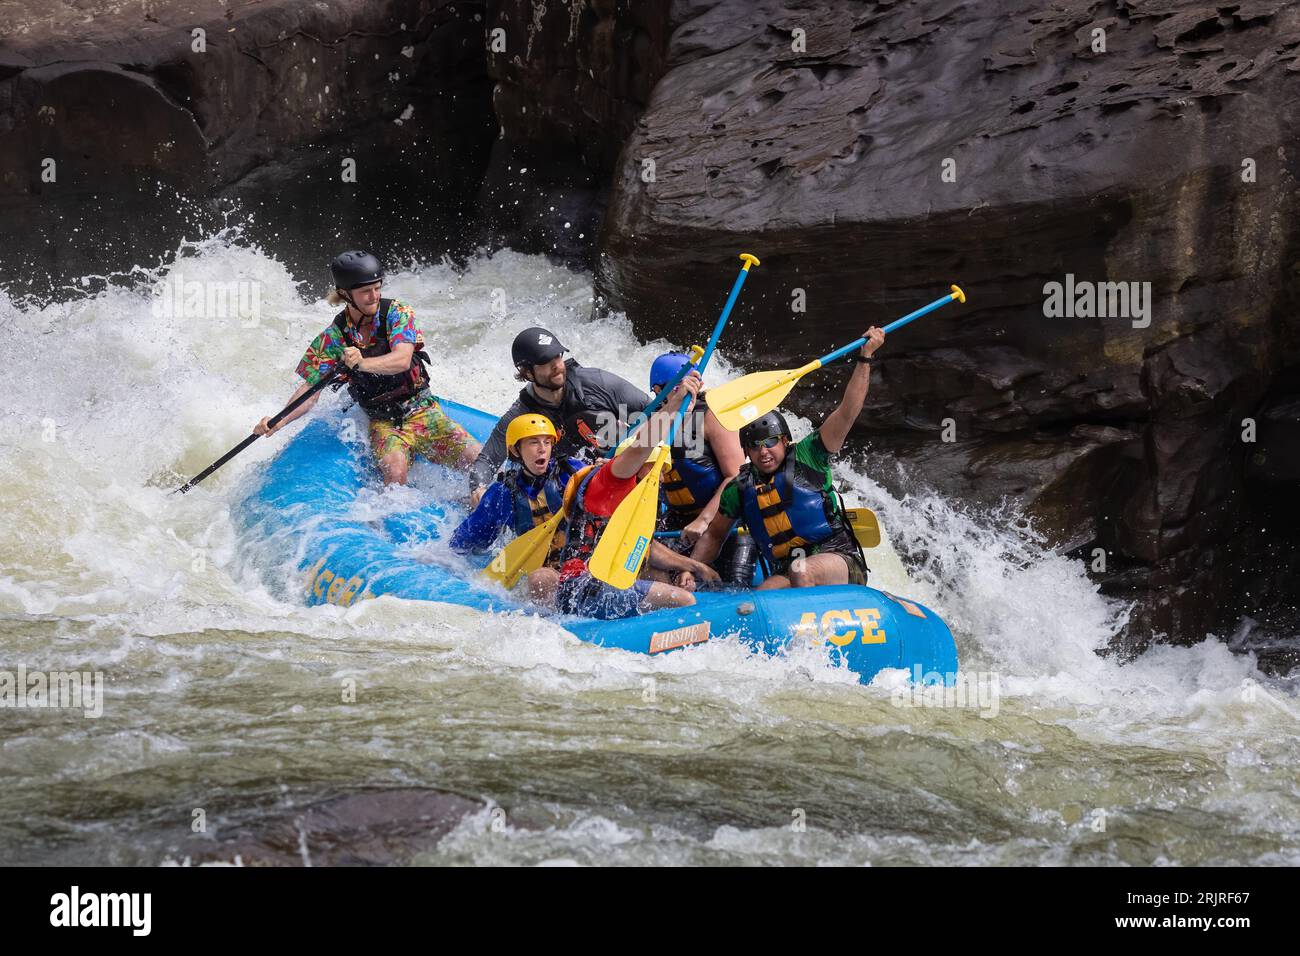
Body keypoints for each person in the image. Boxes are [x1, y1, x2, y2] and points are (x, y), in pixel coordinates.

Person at [254, 250, 480, 485]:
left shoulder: (398, 313)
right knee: (395, 474)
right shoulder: (333, 338)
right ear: (345, 294)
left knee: (477, 460)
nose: (373, 296)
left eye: (377, 287)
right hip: (384, 421)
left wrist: (362, 362)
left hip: (424, 409)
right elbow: (310, 391)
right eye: (365, 291)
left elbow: (402, 359)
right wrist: (278, 421)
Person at [690, 326, 886, 589]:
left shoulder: (810, 454)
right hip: (787, 571)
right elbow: (714, 535)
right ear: (746, 451)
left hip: (838, 559)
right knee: (760, 598)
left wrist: (865, 358)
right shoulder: (739, 487)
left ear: (785, 441)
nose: (764, 451)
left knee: (801, 570)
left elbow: (848, 412)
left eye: (770, 442)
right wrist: (690, 570)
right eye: (755, 446)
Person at [554, 370, 710, 619]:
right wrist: (674, 404)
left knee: (660, 579)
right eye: (657, 466)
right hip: (584, 587)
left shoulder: (639, 497)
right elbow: (642, 445)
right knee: (685, 600)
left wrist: (687, 568)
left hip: (595, 586)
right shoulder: (612, 479)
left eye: (664, 469)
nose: (661, 476)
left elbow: (642, 550)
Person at [469, 327, 649, 503]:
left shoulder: (596, 383)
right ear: (527, 372)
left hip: (621, 471)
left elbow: (655, 413)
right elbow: (487, 460)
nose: (556, 365)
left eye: (557, 356)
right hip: (571, 493)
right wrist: (479, 488)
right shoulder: (520, 416)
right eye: (545, 361)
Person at [449, 414, 583, 604]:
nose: (542, 449)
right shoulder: (504, 494)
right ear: (515, 450)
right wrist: (442, 559)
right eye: (533, 443)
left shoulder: (571, 472)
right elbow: (468, 538)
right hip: (551, 573)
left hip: (586, 559)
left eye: (547, 442)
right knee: (539, 580)